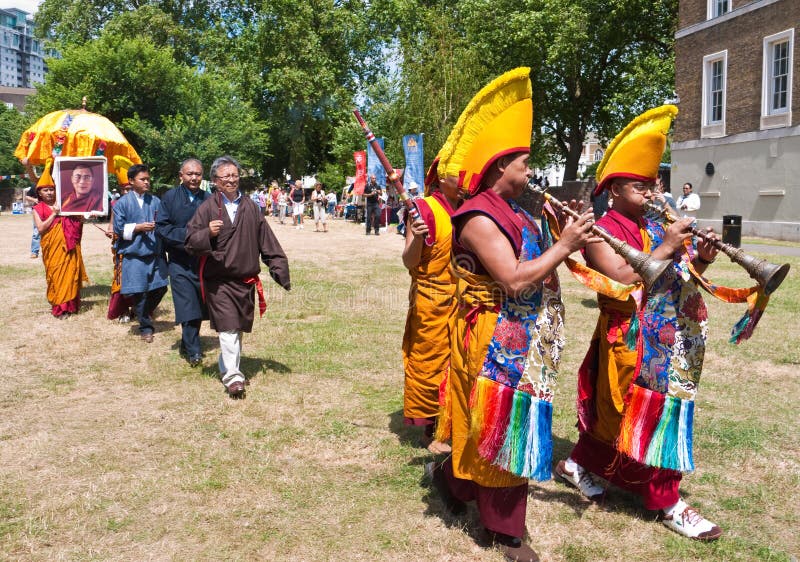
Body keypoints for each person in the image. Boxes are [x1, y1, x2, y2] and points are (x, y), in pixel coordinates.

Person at [426, 68, 597, 562]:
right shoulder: (478, 217)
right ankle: (506, 530)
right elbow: (516, 279)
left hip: (522, 332)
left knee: (487, 423)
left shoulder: (520, 211)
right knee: (500, 422)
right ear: (502, 166)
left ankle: (452, 481)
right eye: (524, 163)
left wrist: (564, 234)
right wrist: (563, 246)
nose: (529, 171)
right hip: (492, 333)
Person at [555, 105, 723, 541]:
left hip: (666, 337)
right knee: (634, 414)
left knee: (635, 416)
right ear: (612, 190)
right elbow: (622, 277)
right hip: (628, 337)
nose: (649, 193)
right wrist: (667, 247)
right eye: (638, 185)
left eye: (651, 185)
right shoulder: (599, 230)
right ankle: (667, 501)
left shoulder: (652, 224)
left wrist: (701, 255)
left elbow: (678, 270)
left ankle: (578, 463)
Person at [185, 156, 291, 398]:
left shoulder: (251, 207)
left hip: (245, 281)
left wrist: (278, 267)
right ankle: (233, 377)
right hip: (219, 281)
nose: (232, 180)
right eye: (226, 177)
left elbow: (266, 239)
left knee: (237, 328)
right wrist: (207, 233)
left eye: (235, 175)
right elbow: (190, 241)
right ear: (215, 181)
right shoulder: (207, 208)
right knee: (229, 328)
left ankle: (227, 365)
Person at [401, 160, 463, 454]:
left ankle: (455, 422)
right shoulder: (423, 208)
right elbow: (409, 261)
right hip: (431, 298)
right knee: (430, 362)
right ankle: (431, 429)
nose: (464, 177)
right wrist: (417, 237)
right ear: (440, 176)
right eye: (457, 171)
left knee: (461, 362)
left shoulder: (469, 207)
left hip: (464, 297)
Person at [156, 158, 210, 367]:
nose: (194, 178)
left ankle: (187, 343)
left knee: (198, 303)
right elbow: (161, 228)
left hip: (202, 262)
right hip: (178, 261)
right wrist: (189, 235)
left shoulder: (209, 198)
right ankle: (194, 351)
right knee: (187, 304)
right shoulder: (169, 198)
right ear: (181, 176)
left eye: (198, 174)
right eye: (190, 174)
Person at [113, 164, 169, 343]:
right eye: (142, 179)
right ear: (131, 181)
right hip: (134, 254)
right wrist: (138, 227)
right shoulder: (122, 203)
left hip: (154, 253)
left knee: (161, 288)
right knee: (140, 293)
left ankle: (140, 312)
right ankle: (145, 327)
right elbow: (119, 229)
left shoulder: (155, 201)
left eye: (148, 179)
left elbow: (163, 221)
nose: (147, 182)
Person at [31, 162, 87, 318]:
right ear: (39, 193)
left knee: (70, 274)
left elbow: (78, 222)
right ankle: (60, 308)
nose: (49, 193)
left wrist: (80, 216)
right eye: (45, 190)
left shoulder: (65, 205)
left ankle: (71, 306)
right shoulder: (38, 208)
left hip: (69, 246)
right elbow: (41, 228)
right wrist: (54, 213)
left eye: (52, 189)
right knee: (57, 276)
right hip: (53, 249)